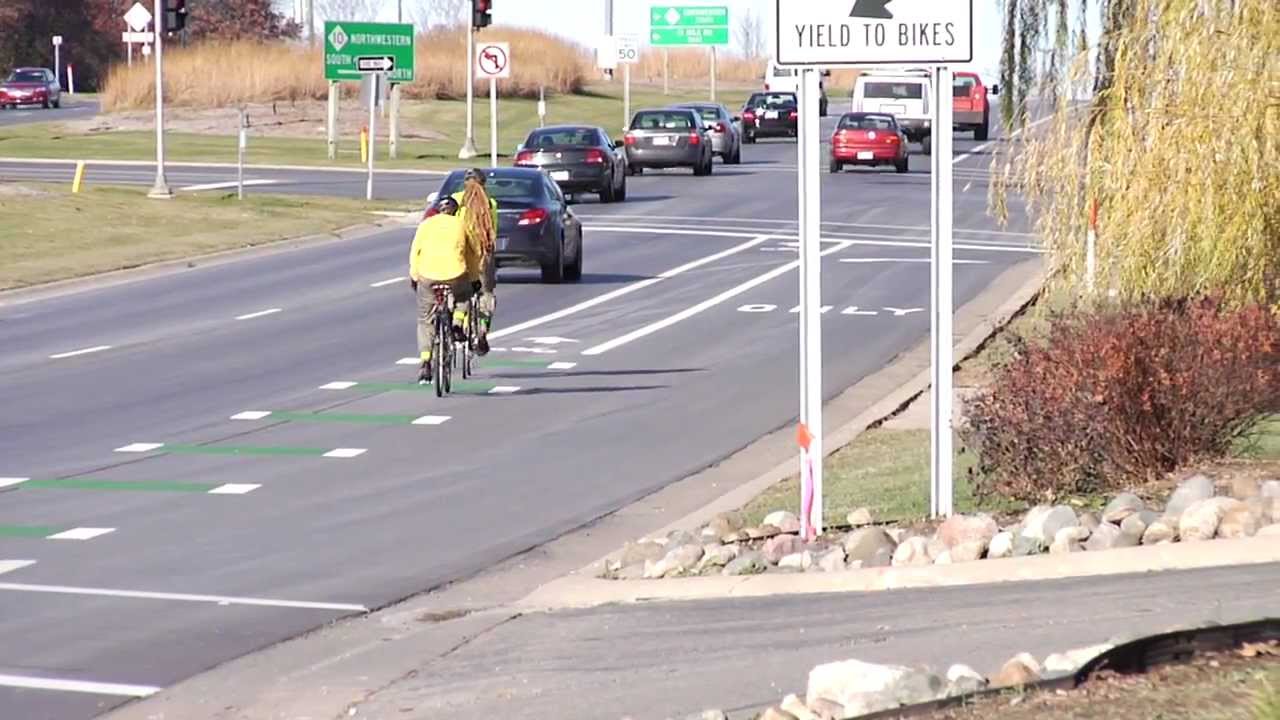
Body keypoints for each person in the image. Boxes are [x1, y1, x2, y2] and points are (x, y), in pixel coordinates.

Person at [408, 195, 483, 384]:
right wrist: (474, 279)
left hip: (427, 275)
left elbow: (415, 252)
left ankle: (425, 360)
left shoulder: (425, 225)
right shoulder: (461, 225)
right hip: (455, 273)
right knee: (464, 296)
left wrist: (414, 275)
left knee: (425, 319)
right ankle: (457, 323)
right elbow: (472, 254)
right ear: (456, 211)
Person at [451, 168, 499, 355]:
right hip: (481, 255)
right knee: (486, 293)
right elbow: (492, 231)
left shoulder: (456, 199)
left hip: (460, 253)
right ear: (483, 184)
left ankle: (456, 321)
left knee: (456, 290)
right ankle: (482, 332)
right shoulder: (490, 204)